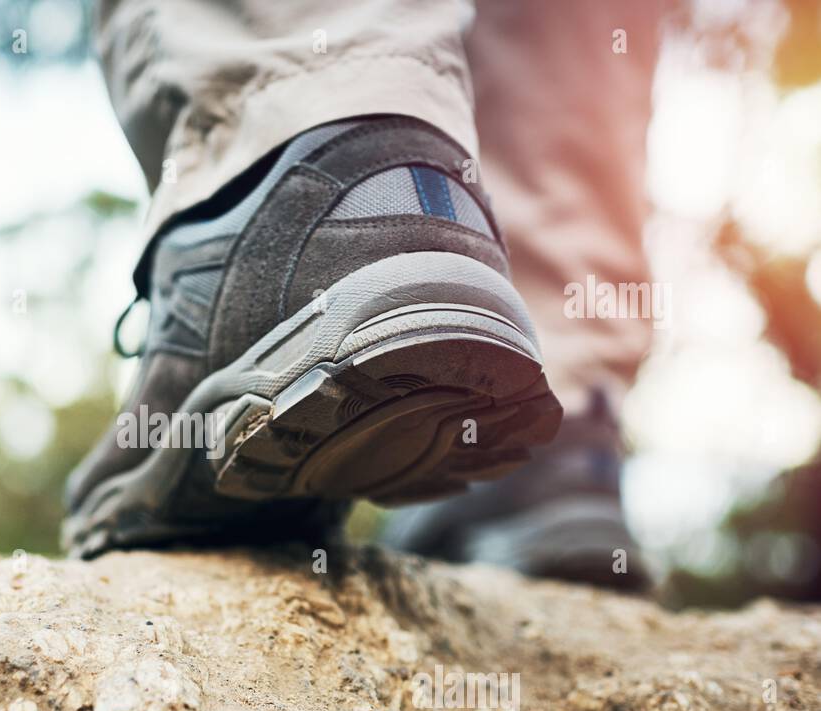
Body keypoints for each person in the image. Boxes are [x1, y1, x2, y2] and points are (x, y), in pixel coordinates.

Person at [64, 0, 662, 589]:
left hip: (299, 211)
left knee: (329, 64)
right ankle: (565, 418)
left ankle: (296, 152)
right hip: (475, 219)